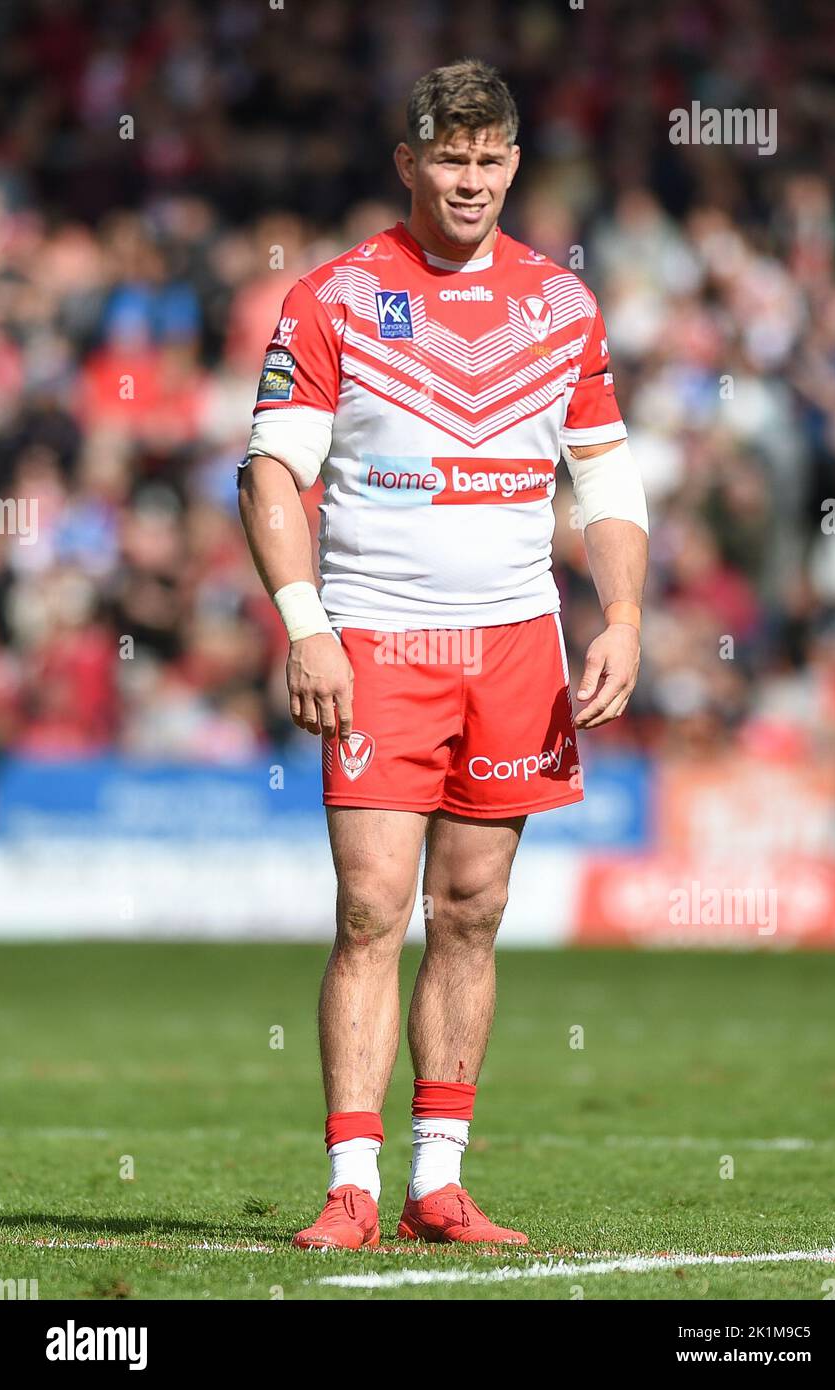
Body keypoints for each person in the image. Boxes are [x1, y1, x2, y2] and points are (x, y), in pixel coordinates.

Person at [238, 58, 648, 1249]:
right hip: (376, 637)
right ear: (407, 163)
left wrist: (618, 617)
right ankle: (351, 1184)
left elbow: (607, 479)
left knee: (470, 909)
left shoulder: (561, 305)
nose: (470, 182)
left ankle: (436, 1181)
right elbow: (273, 471)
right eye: (448, 160)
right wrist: (307, 626)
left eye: (490, 160)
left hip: (518, 643)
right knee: (372, 909)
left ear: (513, 163)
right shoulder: (334, 297)